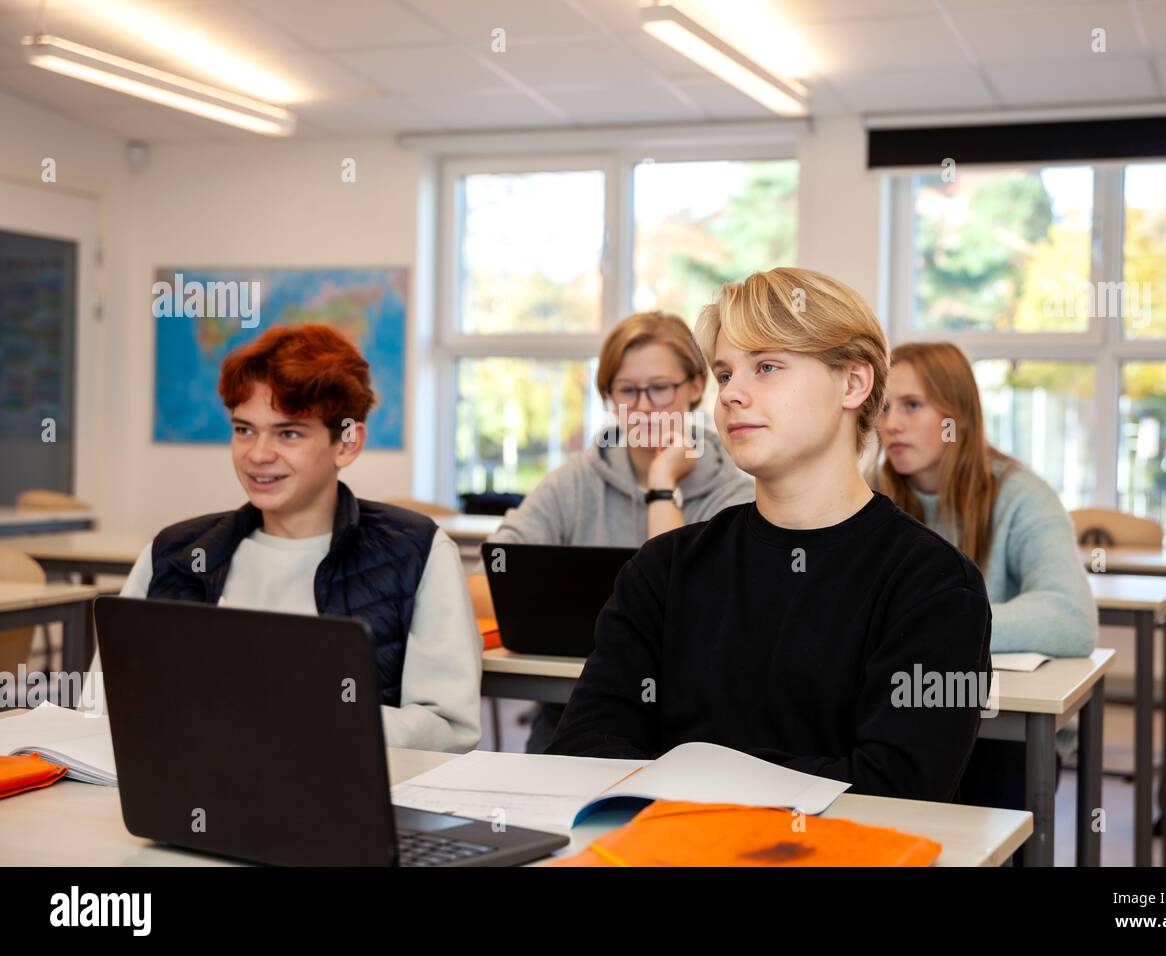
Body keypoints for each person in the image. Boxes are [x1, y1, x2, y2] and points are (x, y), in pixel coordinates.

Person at [547, 268, 991, 801]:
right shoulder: (663, 568)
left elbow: (896, 791)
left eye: (767, 367)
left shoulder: (933, 585)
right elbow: (584, 750)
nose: (733, 394)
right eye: (725, 373)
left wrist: (681, 770)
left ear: (853, 383)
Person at [83, 324, 481, 753]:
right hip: (186, 796)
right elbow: (100, 707)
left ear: (346, 444)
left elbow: (447, 728)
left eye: (288, 433)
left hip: (342, 802)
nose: (257, 454)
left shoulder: (417, 552)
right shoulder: (174, 554)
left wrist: (300, 722)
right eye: (244, 430)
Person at [470, 310, 754, 753]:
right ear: (608, 395)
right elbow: (489, 577)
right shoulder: (577, 480)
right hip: (577, 709)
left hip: (694, 727)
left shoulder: (737, 493)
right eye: (626, 391)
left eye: (660, 388)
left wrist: (662, 484)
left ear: (697, 386)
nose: (642, 407)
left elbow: (683, 615)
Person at [875, 340, 1097, 817]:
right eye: (884, 406)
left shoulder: (1020, 495)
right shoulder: (871, 495)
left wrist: (930, 630)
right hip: (898, 714)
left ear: (959, 415)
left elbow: (1072, 618)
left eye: (912, 405)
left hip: (1000, 730)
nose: (891, 423)